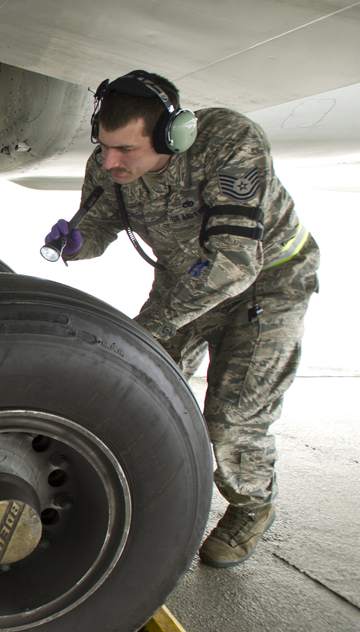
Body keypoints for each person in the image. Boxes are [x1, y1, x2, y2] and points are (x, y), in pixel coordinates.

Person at [44, 70, 318, 568]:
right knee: (135, 386)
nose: (110, 161)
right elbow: (101, 223)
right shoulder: (108, 162)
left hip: (267, 285)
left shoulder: (229, 144)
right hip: (185, 279)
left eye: (126, 149)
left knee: (232, 421)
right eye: (104, 146)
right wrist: (79, 243)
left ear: (173, 137)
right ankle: (137, 486)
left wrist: (144, 330)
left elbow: (234, 264)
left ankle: (251, 506)